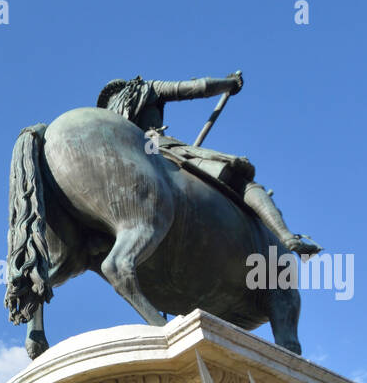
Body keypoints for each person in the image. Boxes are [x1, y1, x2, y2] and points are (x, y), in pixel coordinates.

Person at [98, 74, 321, 256]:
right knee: (242, 182)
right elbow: (198, 87)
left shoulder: (105, 120)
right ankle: (287, 237)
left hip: (128, 162)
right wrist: (229, 83)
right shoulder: (144, 88)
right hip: (161, 149)